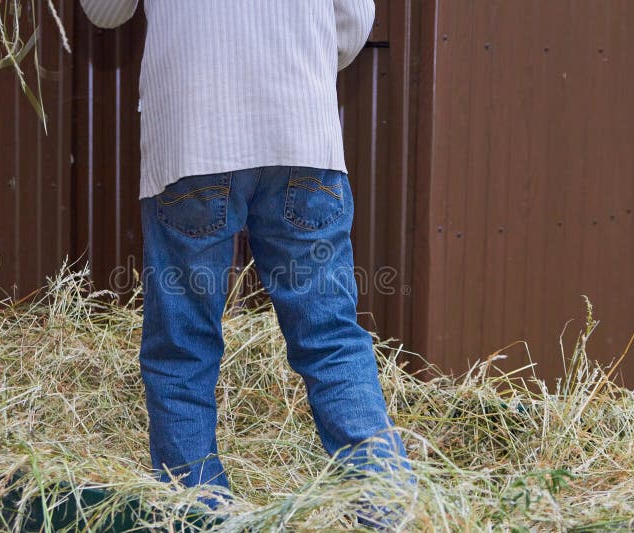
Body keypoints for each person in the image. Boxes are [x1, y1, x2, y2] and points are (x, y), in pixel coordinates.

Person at [80, 0, 412, 520]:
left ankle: (200, 515)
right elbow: (352, 21)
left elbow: (105, 12)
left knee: (183, 348)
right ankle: (388, 512)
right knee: (330, 337)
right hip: (302, 129)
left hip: (195, 134)